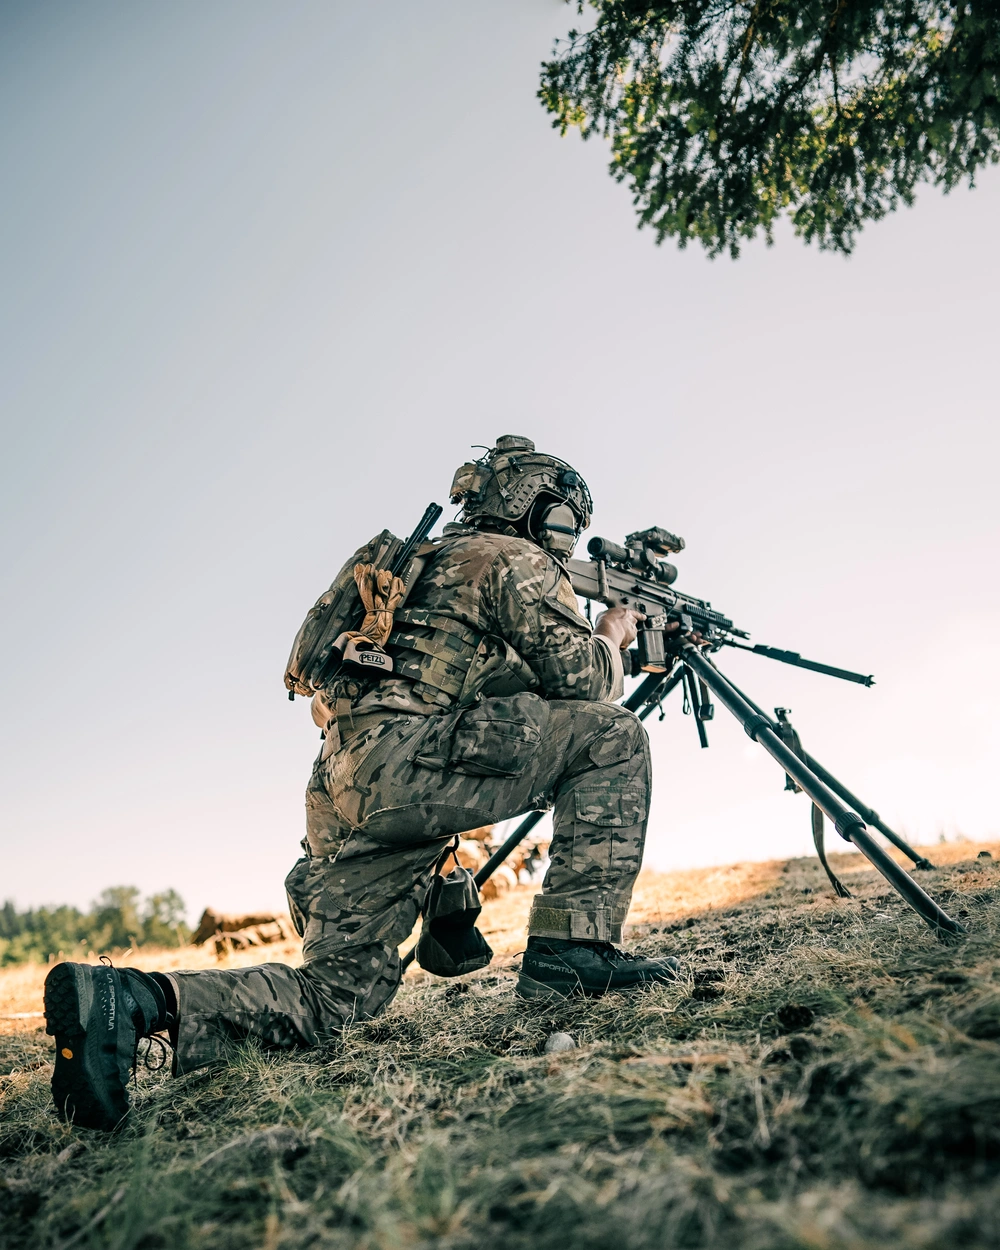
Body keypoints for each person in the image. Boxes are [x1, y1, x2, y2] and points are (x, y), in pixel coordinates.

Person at [43, 435, 679, 1131]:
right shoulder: (513, 560)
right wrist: (614, 634)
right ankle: (572, 951)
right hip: (412, 766)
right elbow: (586, 683)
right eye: (565, 522)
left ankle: (127, 1002)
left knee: (336, 1000)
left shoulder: (423, 565)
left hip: (347, 779)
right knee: (614, 736)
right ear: (537, 510)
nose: (567, 540)